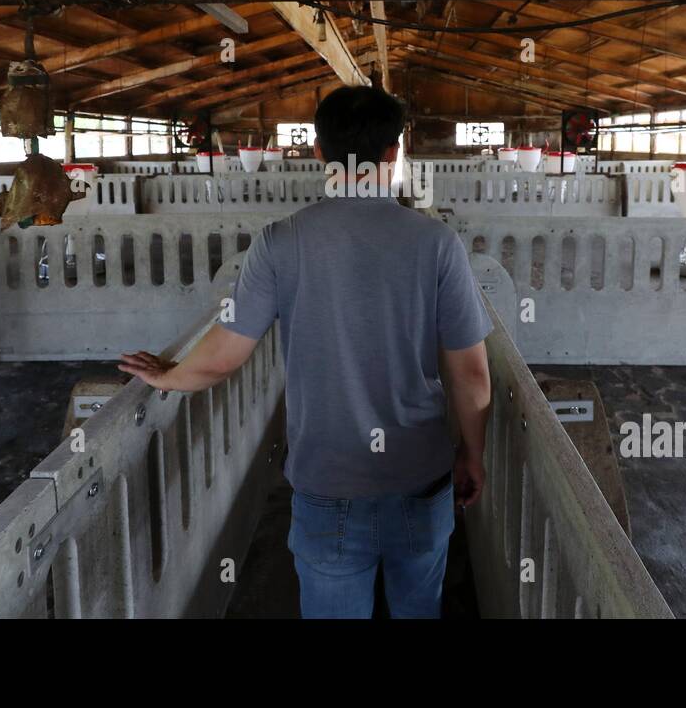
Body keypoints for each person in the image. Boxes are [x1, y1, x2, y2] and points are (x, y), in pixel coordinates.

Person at [119, 85, 493, 619]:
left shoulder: (280, 242)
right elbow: (470, 373)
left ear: (320, 152)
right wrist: (472, 455)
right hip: (421, 477)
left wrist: (169, 376)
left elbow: (225, 354)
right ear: (394, 152)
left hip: (327, 483)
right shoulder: (438, 244)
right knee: (419, 608)